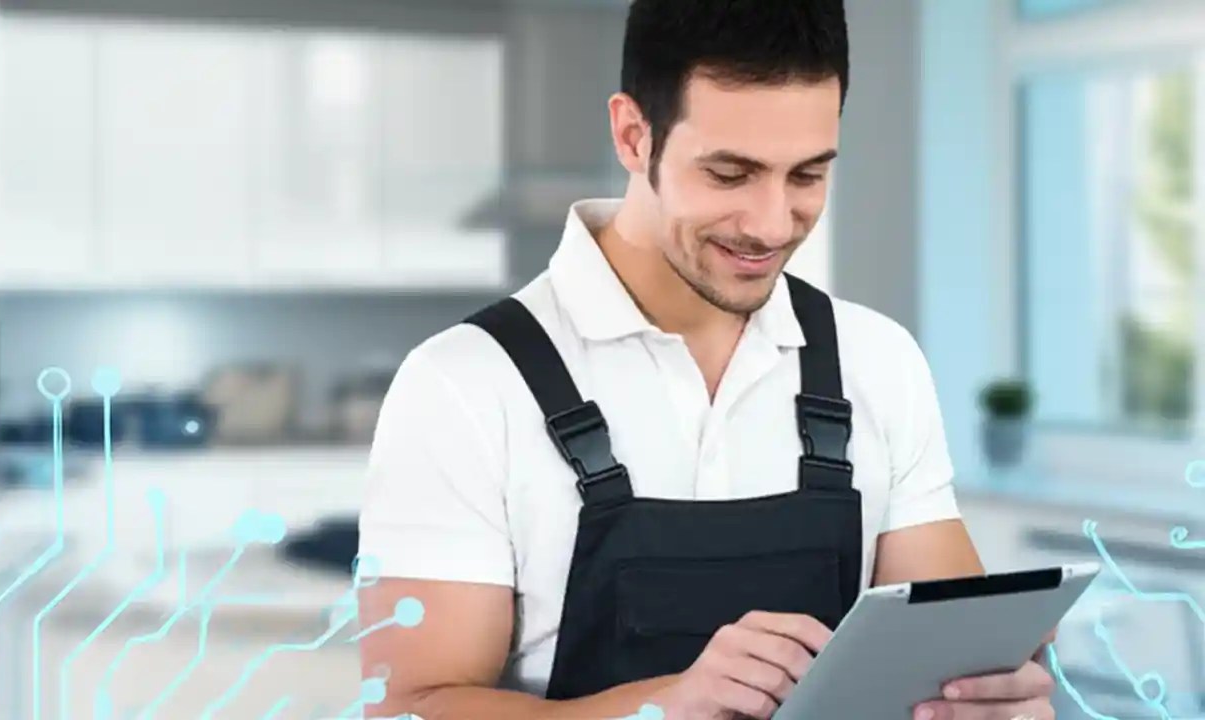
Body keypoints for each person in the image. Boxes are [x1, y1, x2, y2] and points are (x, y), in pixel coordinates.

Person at [355, 1, 1057, 718]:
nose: (771, 223)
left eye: (808, 176)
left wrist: (988, 701)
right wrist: (664, 707)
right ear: (634, 135)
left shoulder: (877, 363)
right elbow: (408, 708)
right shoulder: (466, 385)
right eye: (730, 174)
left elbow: (940, 665)